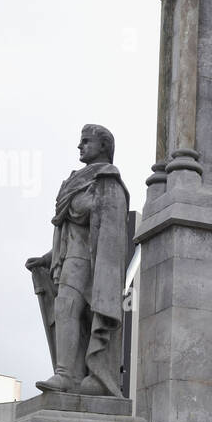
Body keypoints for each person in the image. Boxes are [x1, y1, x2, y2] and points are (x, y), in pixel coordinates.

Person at [26, 125, 129, 396]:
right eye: (80, 142)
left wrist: (78, 202)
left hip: (88, 260)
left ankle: (68, 375)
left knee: (69, 309)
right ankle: (72, 373)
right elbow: (69, 231)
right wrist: (47, 258)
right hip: (70, 257)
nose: (80, 146)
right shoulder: (79, 181)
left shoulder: (106, 179)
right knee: (68, 312)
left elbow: (103, 224)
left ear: (103, 147)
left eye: (86, 141)